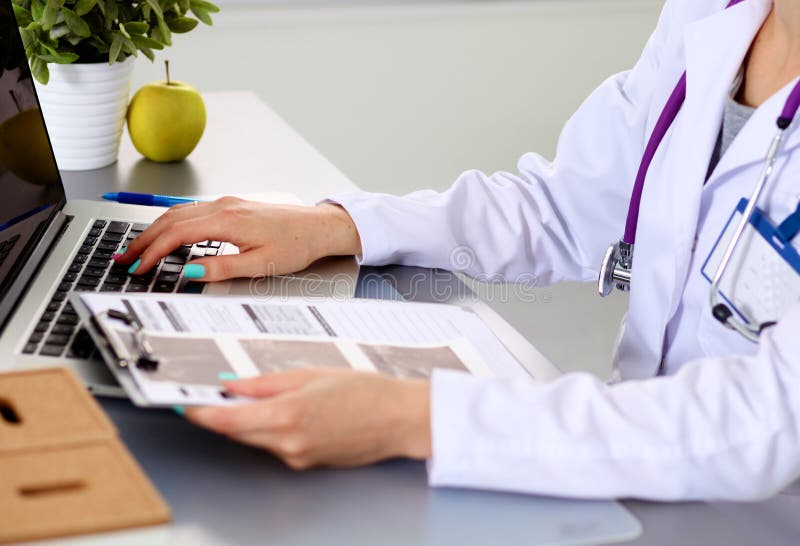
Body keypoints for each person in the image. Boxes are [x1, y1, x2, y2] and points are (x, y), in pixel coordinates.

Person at [116, 0, 800, 500]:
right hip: (616, 466)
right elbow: (560, 207)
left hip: (753, 513)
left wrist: (414, 417)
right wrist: (336, 225)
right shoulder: (712, 15)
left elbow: (768, 418)